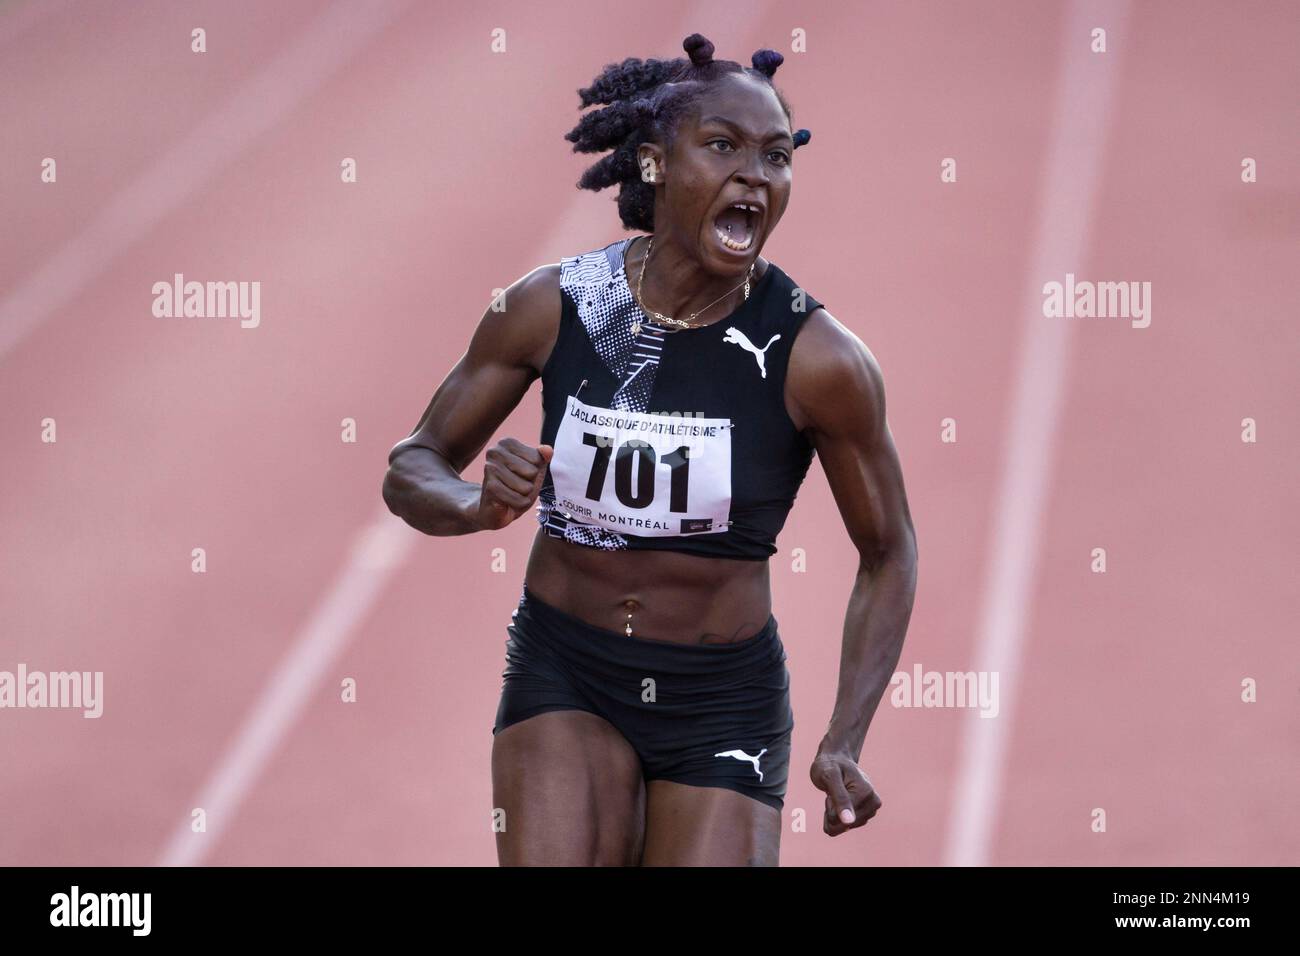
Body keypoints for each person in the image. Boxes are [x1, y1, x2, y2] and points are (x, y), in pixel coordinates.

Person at [383, 33, 917, 866]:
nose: (754, 175)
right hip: (569, 671)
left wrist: (845, 736)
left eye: (776, 156)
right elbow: (413, 465)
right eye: (722, 146)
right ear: (655, 163)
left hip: (722, 700)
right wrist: (475, 506)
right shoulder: (553, 305)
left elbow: (889, 551)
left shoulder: (820, 359)